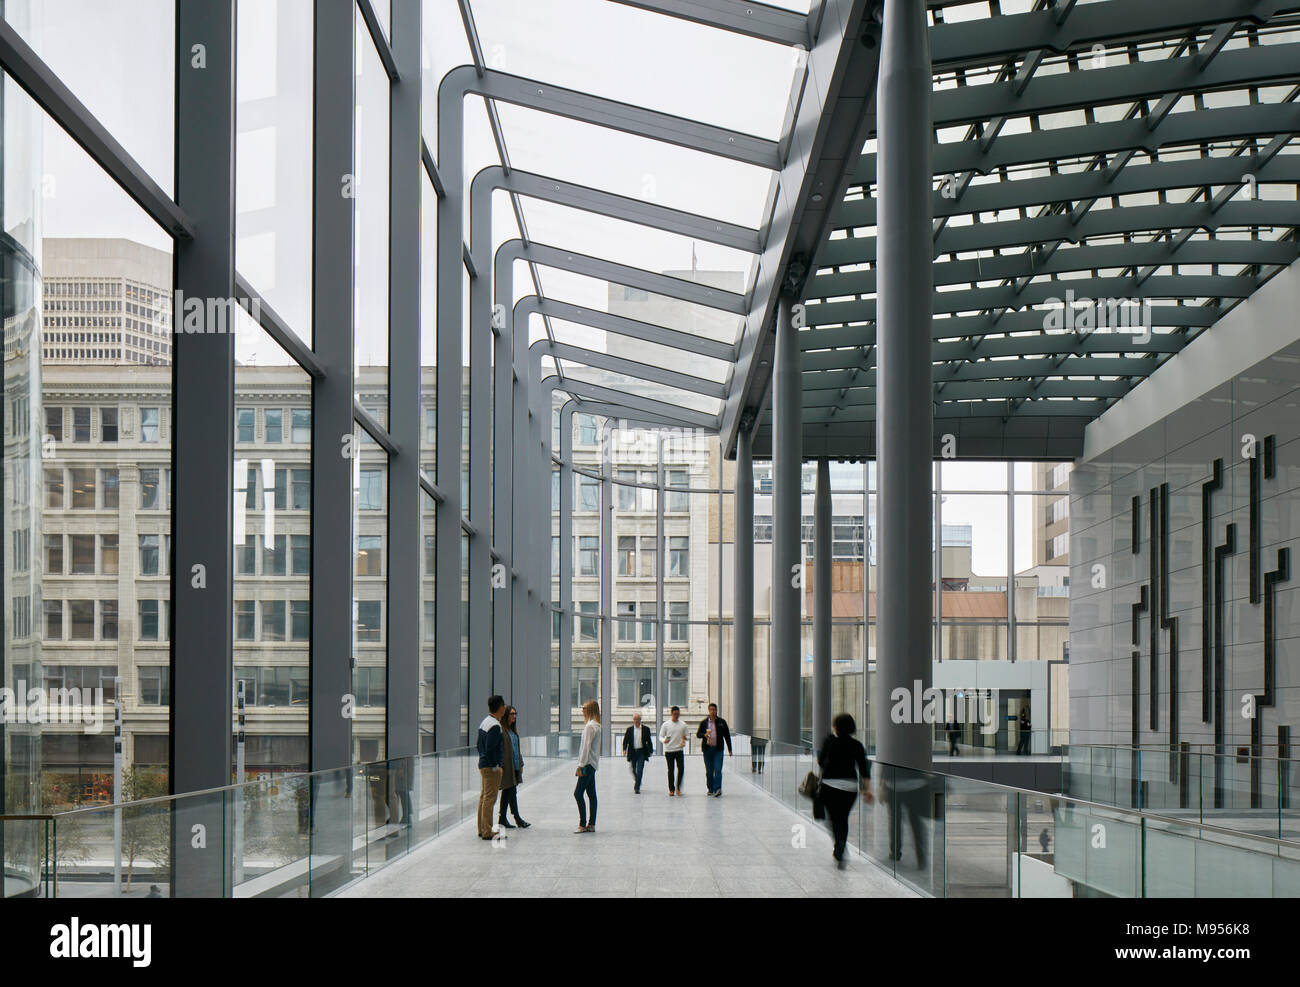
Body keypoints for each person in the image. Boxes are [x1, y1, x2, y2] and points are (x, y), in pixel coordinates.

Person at [817, 713, 873, 869]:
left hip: (829, 786)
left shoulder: (830, 742)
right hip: (850, 788)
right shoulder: (857, 745)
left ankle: (839, 846)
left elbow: (821, 762)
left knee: (833, 819)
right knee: (843, 818)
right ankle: (840, 846)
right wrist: (868, 789)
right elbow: (864, 769)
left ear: (835, 727)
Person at [476, 695, 507, 840]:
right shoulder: (495, 725)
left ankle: (482, 829)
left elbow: (479, 746)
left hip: (483, 765)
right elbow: (490, 749)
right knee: (490, 799)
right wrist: (496, 766)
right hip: (490, 767)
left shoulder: (484, 722)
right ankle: (487, 831)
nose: (505, 708)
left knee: (484, 797)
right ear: (500, 708)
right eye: (504, 706)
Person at [498, 705, 530, 829]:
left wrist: (521, 763)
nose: (514, 716)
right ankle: (517, 818)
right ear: (506, 715)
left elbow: (517, 749)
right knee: (511, 792)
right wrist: (501, 765)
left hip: (515, 766)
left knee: (507, 792)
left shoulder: (513, 731)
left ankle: (502, 818)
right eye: (512, 714)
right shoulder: (502, 730)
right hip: (507, 768)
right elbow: (501, 750)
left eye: (515, 713)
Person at [574, 699, 601, 833]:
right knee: (591, 794)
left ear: (590, 710)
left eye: (584, 708)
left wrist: (580, 765)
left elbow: (585, 748)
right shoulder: (596, 725)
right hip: (592, 764)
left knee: (578, 793)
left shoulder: (590, 726)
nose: (582, 710)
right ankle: (591, 824)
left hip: (587, 764)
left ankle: (582, 824)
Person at [696, 703, 733, 796]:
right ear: (708, 710)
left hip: (718, 750)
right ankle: (710, 788)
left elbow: (727, 736)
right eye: (711, 709)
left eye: (714, 710)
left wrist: (730, 749)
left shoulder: (722, 722)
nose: (713, 711)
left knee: (718, 769)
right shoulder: (704, 722)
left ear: (716, 711)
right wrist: (704, 735)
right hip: (707, 749)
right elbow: (698, 734)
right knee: (709, 771)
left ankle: (718, 789)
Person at [659, 705, 688, 795]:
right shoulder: (666, 724)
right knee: (670, 770)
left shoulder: (683, 724)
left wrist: (684, 739)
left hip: (679, 750)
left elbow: (687, 736)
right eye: (675, 714)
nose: (676, 715)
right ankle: (671, 789)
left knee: (681, 769)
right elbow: (660, 736)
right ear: (671, 714)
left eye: (678, 714)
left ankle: (678, 788)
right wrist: (664, 740)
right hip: (669, 750)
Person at [622, 712, 653, 794]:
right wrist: (624, 749)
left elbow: (649, 741)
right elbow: (625, 741)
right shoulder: (629, 730)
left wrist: (650, 750)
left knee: (640, 769)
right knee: (633, 769)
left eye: (637, 719)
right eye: (635, 719)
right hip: (632, 752)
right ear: (633, 720)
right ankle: (638, 780)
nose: (636, 721)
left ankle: (637, 787)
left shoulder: (646, 729)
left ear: (640, 720)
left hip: (641, 752)